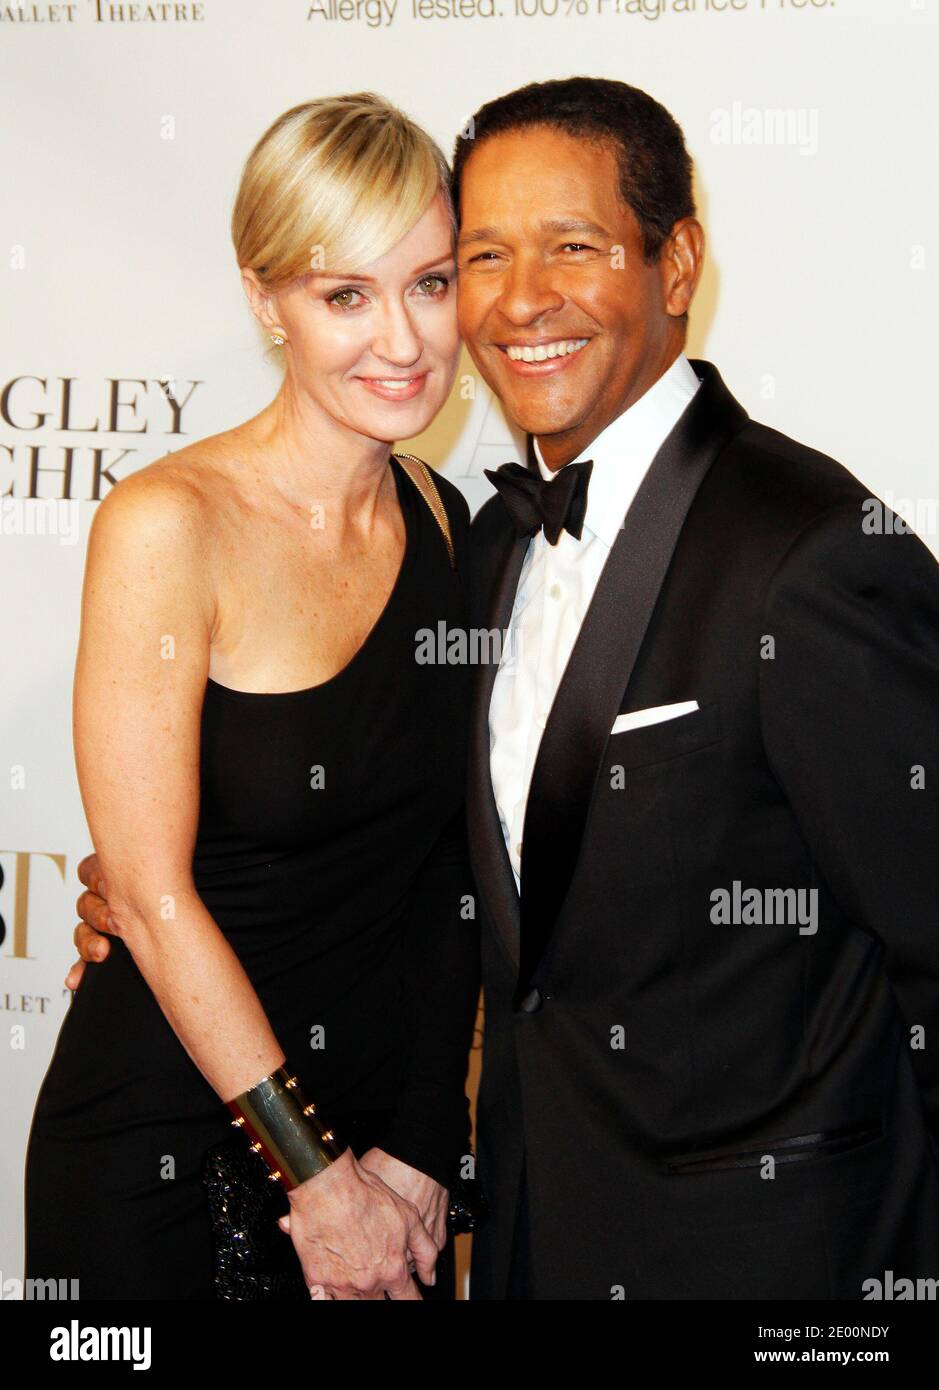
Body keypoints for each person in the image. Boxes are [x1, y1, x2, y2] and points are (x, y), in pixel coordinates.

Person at [452, 77, 939, 1298]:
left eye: (575, 246)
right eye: (484, 255)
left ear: (676, 265)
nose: (521, 300)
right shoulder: (491, 548)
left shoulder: (819, 551)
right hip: (530, 1247)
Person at [25, 93, 479, 1302]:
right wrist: (314, 1179)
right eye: (346, 295)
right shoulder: (169, 525)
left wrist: (424, 1150)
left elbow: (454, 873)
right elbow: (153, 895)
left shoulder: (450, 523)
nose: (403, 340)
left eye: (431, 283)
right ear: (263, 297)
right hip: (170, 1149)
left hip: (386, 1157)